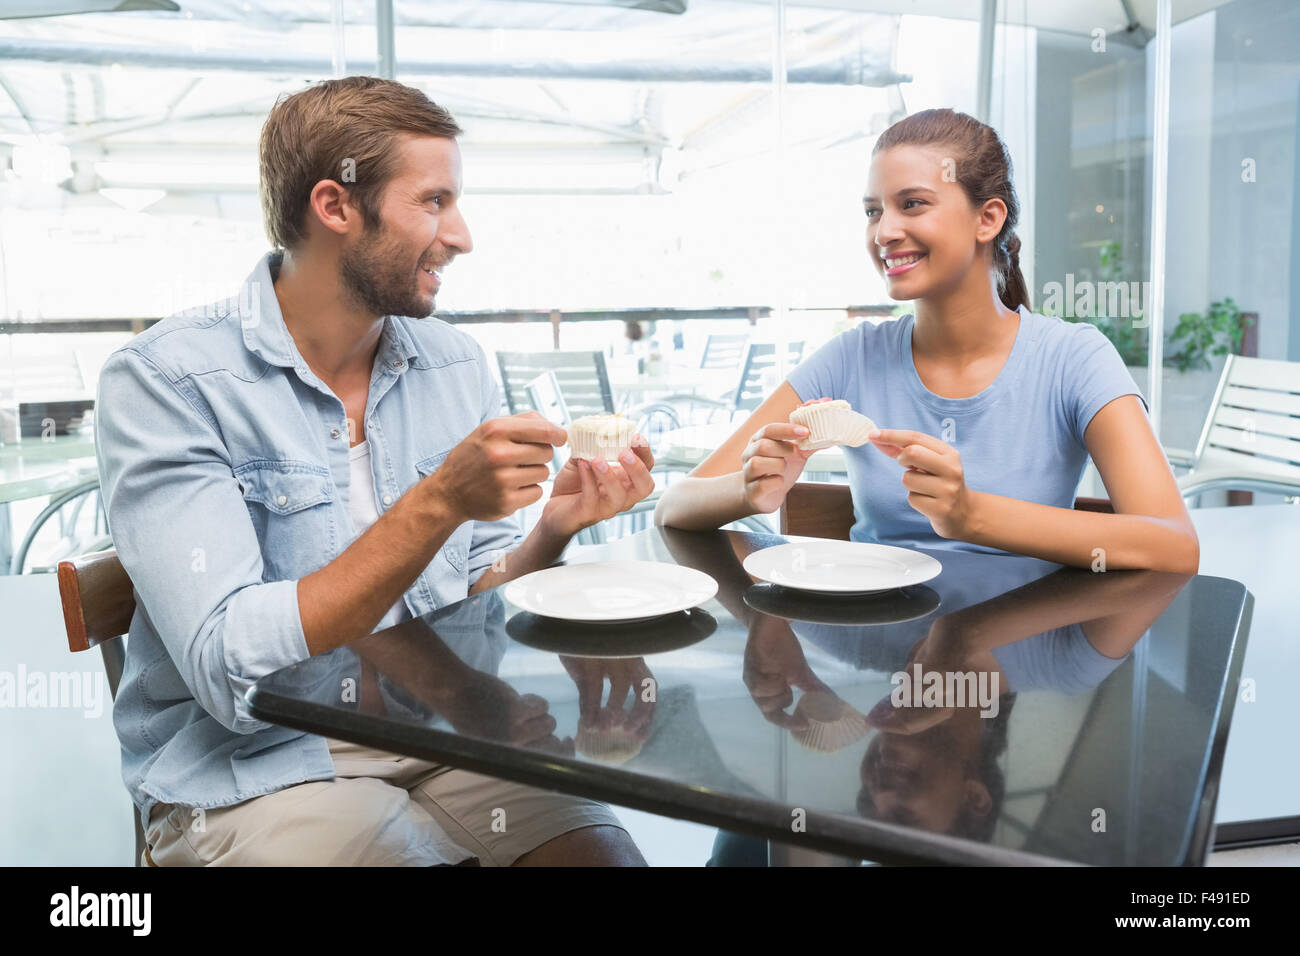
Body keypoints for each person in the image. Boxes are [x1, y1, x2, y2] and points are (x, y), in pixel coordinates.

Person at [95, 76, 654, 866]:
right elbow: (228, 673)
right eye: (433, 202)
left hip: (446, 731)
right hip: (263, 769)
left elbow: (470, 611)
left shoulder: (453, 362)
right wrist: (437, 502)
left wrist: (553, 527)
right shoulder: (167, 382)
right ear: (336, 206)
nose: (460, 236)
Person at [655, 108, 1199, 575]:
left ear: (987, 219)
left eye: (912, 204)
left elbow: (1174, 545)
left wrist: (970, 515)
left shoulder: (1074, 359)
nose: (883, 231)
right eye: (873, 211)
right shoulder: (852, 357)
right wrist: (749, 490)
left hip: (1022, 650)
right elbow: (674, 507)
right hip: (876, 657)